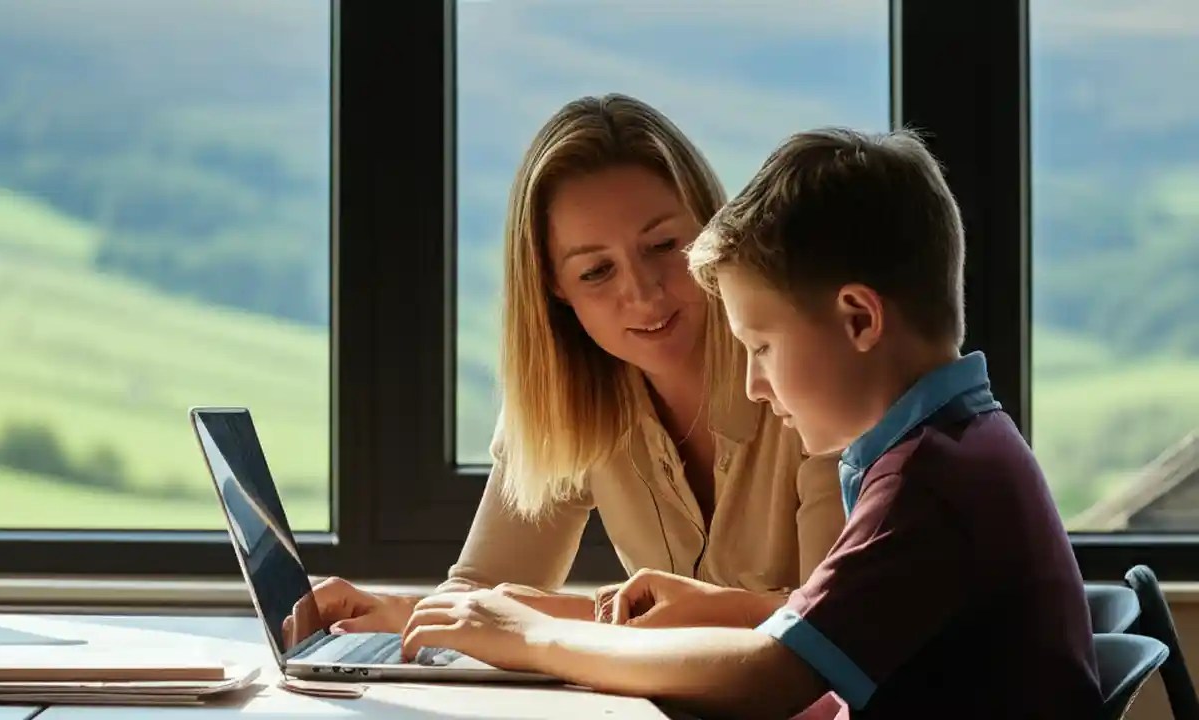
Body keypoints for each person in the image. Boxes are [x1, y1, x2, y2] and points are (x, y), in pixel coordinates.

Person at [396, 127, 1102, 719]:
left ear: (859, 319)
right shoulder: (950, 448)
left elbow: (775, 673)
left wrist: (538, 640)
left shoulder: (929, 483)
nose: (754, 381)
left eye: (761, 347)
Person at [298, 94, 844, 634]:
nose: (643, 292)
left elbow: (828, 618)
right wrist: (393, 616)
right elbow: (486, 589)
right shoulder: (566, 392)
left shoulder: (806, 372)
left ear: (711, 231)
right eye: (596, 272)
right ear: (554, 287)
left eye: (662, 245)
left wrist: (548, 618)